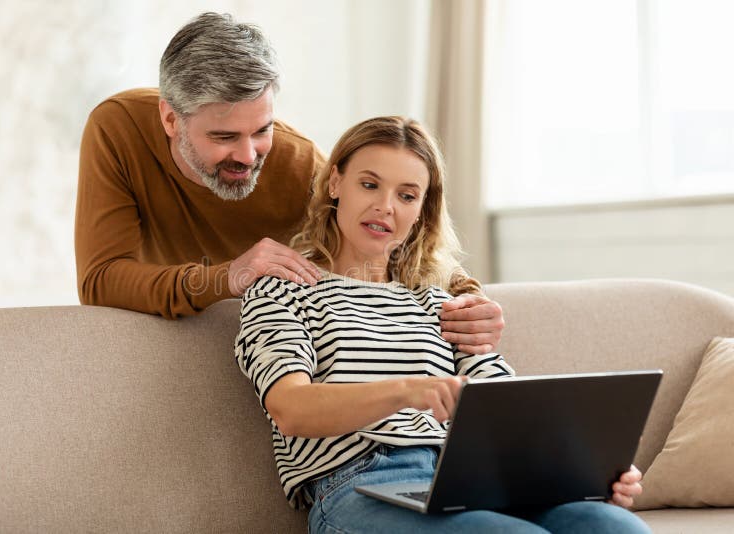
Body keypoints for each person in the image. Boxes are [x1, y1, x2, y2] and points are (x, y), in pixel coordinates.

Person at [235, 116, 649, 533]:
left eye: (407, 195)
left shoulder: (439, 302)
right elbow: (289, 407)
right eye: (369, 184)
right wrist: (407, 390)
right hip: (357, 488)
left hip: (471, 482)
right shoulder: (282, 290)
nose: (386, 206)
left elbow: (506, 408)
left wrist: (586, 468)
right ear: (335, 183)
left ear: (421, 210)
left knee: (614, 526)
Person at [74, 12, 504, 356]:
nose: (247, 155)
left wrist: (469, 294)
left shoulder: (298, 163)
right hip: (156, 337)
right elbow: (100, 281)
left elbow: (391, 229)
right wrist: (228, 277)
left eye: (262, 129)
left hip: (273, 339)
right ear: (171, 119)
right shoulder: (118, 128)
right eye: (224, 137)